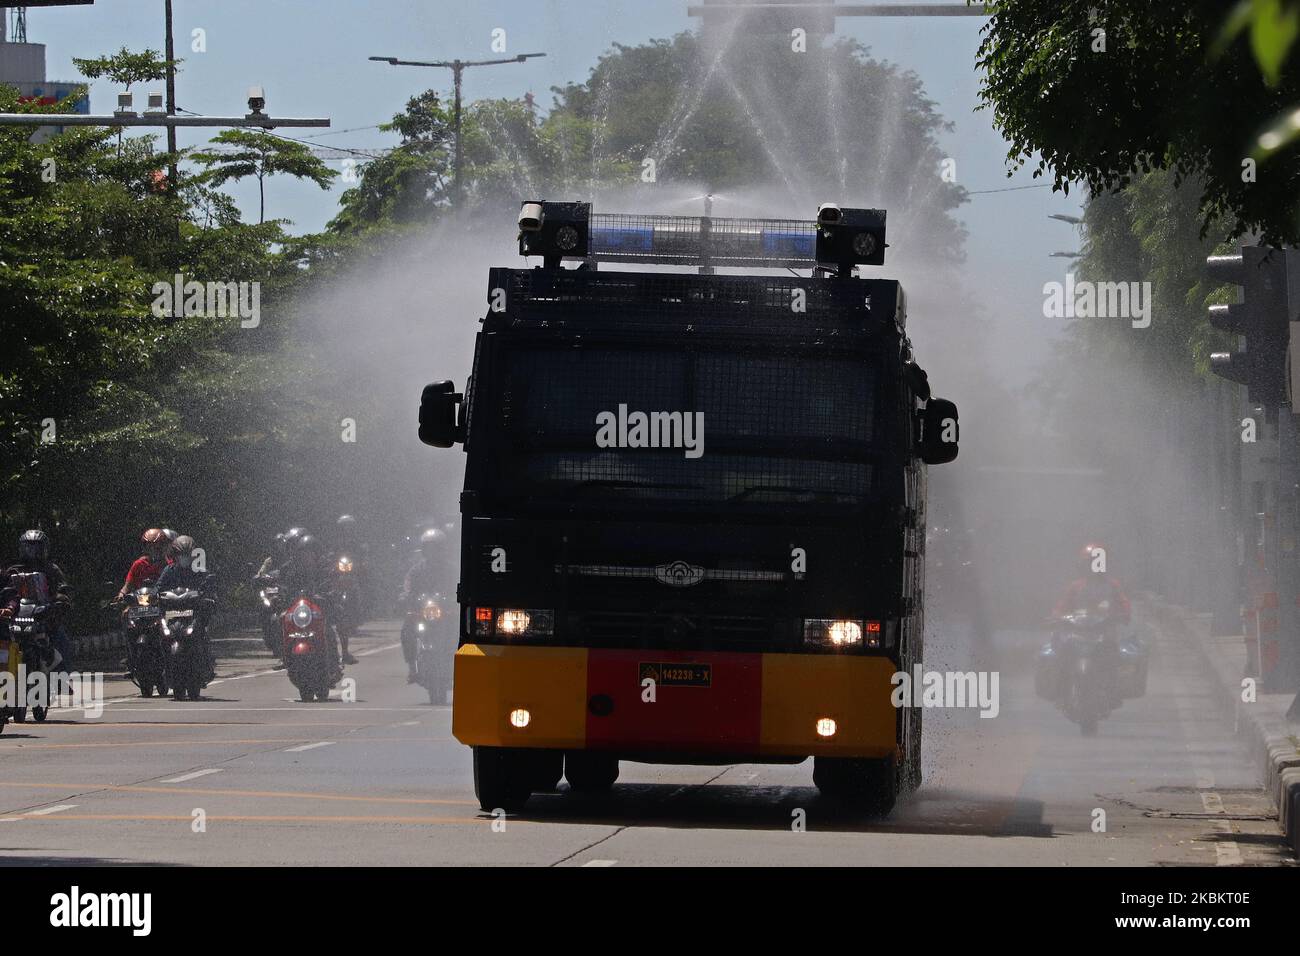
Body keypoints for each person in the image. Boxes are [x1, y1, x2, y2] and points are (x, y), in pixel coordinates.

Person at [0, 530, 74, 677]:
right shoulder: (13, 569)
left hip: (44, 615)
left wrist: (60, 599)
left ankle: (62, 677)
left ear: (44, 549)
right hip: (17, 615)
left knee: (61, 640)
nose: (32, 552)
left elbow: (62, 589)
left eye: (36, 547)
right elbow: (7, 592)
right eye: (28, 547)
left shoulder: (51, 569)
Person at [157, 535, 216, 681]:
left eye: (187, 555)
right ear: (175, 555)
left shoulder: (200, 571)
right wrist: (153, 595)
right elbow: (158, 588)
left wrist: (209, 595)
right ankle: (164, 667)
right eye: (180, 555)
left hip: (194, 612)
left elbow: (209, 586)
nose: (184, 558)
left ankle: (206, 663)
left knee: (203, 631)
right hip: (172, 614)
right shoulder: (169, 570)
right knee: (162, 636)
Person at [398, 528, 450, 682]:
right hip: (422, 612)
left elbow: (459, 585)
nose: (432, 552)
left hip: (445, 612)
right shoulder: (416, 570)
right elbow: (407, 586)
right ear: (424, 550)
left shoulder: (450, 569)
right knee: (407, 631)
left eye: (436, 548)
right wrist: (404, 596)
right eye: (429, 548)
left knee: (459, 630)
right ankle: (412, 668)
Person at [1052, 543, 1131, 623]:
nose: (1090, 566)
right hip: (1079, 631)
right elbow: (1063, 604)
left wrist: (1125, 614)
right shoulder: (1075, 586)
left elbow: (1123, 603)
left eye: (1095, 563)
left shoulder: (1112, 585)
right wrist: (1057, 615)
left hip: (1106, 630)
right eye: (1087, 563)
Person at [116, 528, 171, 601]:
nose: (153, 550)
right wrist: (121, 595)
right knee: (125, 612)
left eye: (157, 547)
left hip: (164, 603)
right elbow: (127, 586)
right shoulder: (139, 564)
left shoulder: (169, 565)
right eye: (150, 547)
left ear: (164, 546)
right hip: (141, 602)